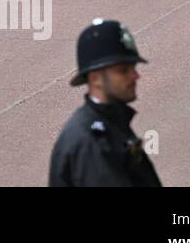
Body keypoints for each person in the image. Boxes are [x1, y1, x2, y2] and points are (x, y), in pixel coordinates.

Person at [48, 19, 161, 187]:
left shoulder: (110, 121)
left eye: (133, 68)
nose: (135, 76)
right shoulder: (90, 142)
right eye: (123, 70)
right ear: (95, 78)